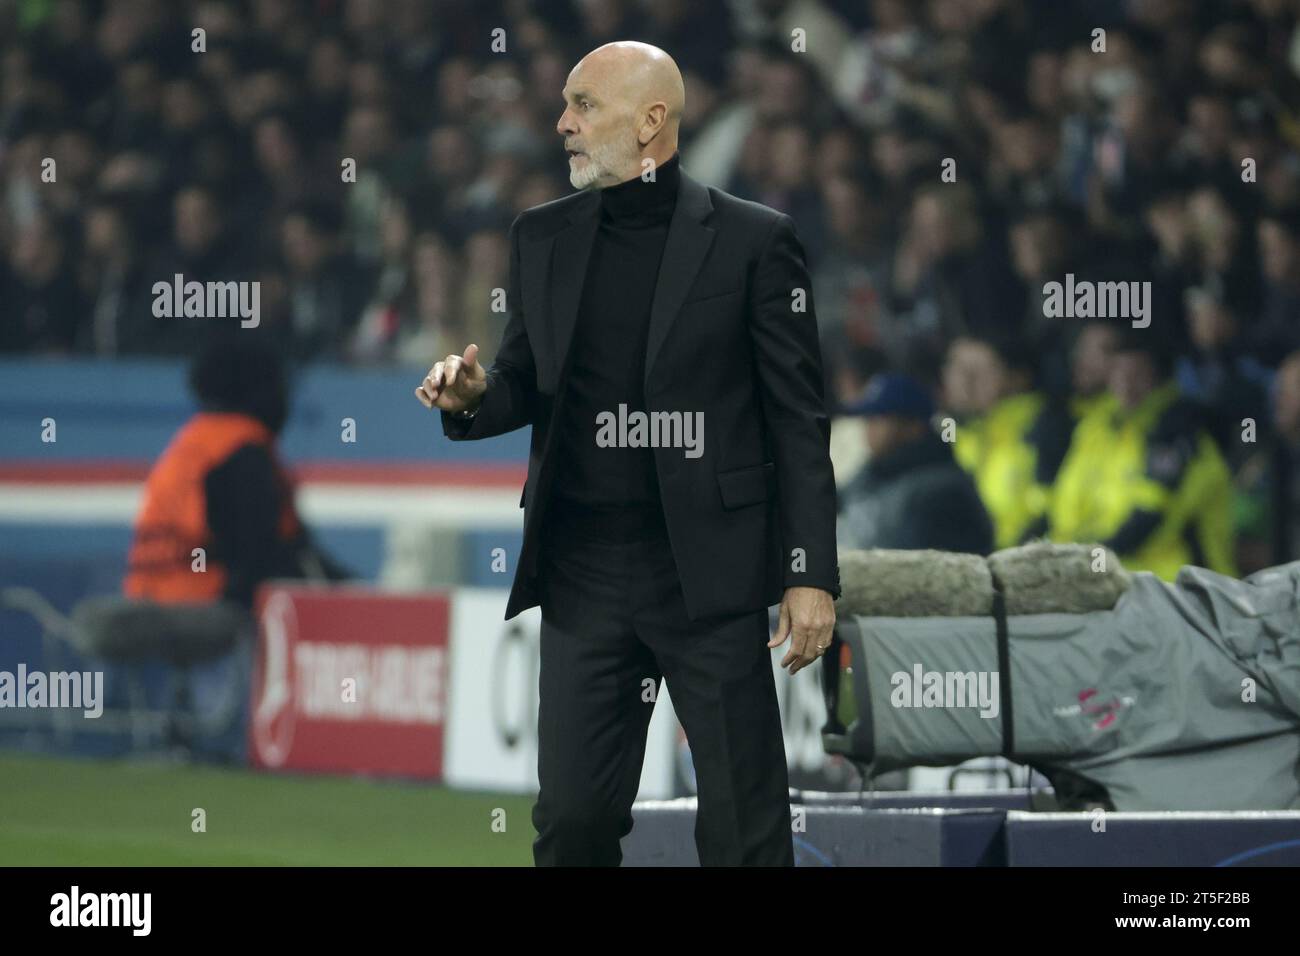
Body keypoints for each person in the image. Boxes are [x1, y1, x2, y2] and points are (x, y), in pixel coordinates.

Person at [414, 41, 839, 866]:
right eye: (567, 105)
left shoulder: (754, 241)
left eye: (584, 106)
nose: (562, 123)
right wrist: (472, 400)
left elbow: (797, 418)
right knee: (570, 822)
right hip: (584, 572)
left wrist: (809, 570)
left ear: (651, 121)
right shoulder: (541, 236)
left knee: (745, 830)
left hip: (708, 573)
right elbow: (524, 380)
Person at [125, 340, 347, 607]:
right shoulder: (242, 450)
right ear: (262, 389)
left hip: (146, 592)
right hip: (203, 596)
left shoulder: (192, 440)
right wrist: (354, 594)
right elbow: (261, 553)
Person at [1049, 330, 1237, 580]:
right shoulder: (1098, 429)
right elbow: (1065, 509)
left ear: (1158, 379)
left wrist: (1085, 561)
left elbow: (1151, 521)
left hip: (1185, 591)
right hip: (1117, 581)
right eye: (1119, 373)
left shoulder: (1178, 435)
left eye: (1139, 375)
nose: (1127, 384)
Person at [837, 373, 993, 555]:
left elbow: (930, 574)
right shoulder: (874, 471)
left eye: (878, 418)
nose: (868, 429)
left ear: (913, 426)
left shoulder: (943, 490)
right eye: (867, 419)